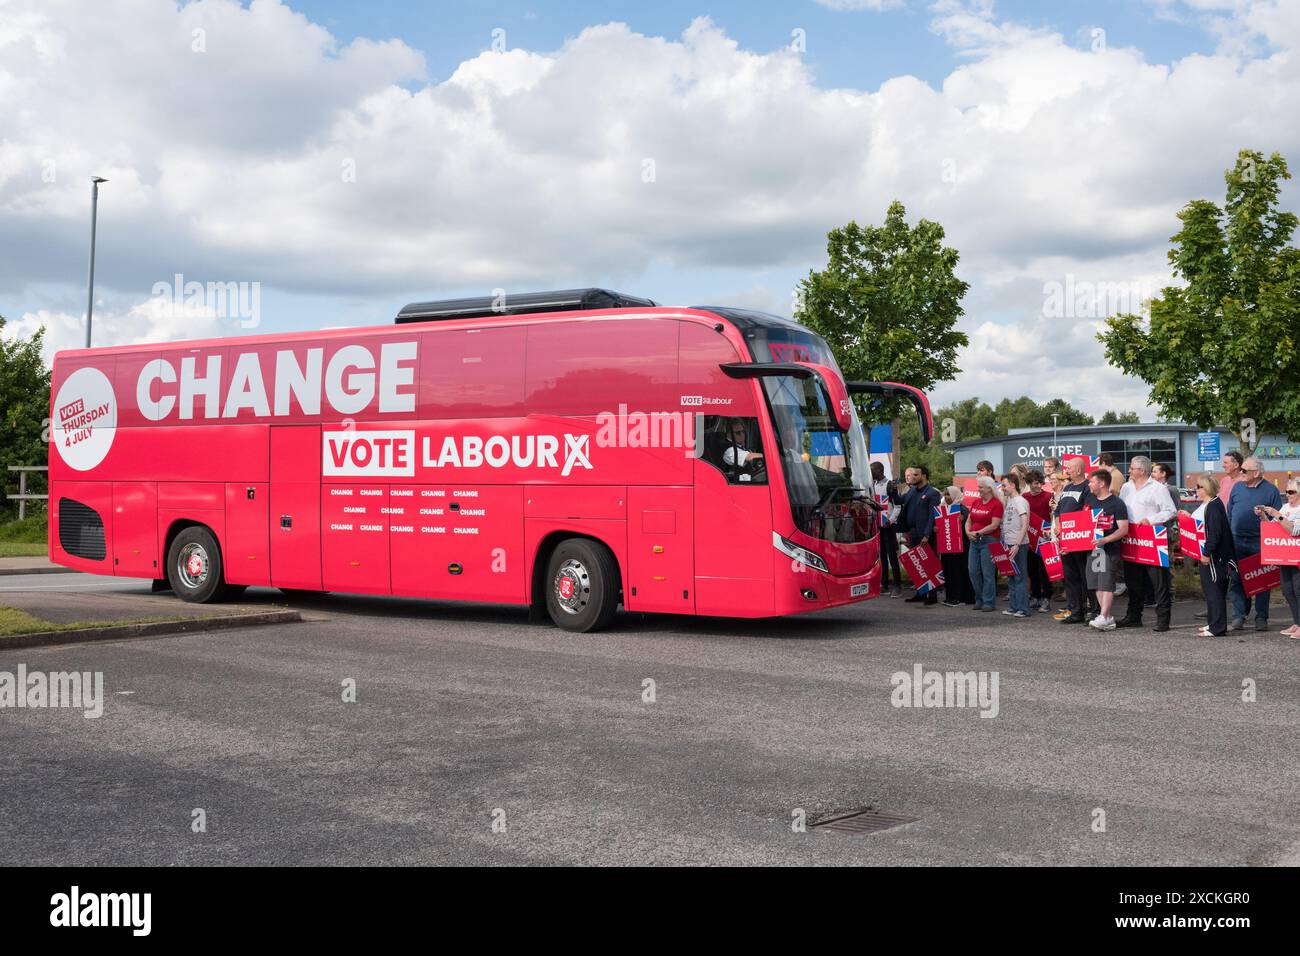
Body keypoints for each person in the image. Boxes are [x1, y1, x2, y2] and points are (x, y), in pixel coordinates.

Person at [1116, 455, 1177, 632]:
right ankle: (1133, 616)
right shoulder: (1126, 488)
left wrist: (1151, 519)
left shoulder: (1158, 489)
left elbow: (1170, 511)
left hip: (1152, 538)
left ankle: (1163, 619)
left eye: (1132, 468)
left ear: (1141, 470)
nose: (1129, 471)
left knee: (1158, 581)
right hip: (1131, 537)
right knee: (1133, 580)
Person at [1226, 456, 1283, 631]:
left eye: (1244, 470)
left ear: (1256, 473)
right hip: (1236, 540)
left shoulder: (1271, 491)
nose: (1241, 473)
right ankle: (1238, 616)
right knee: (1236, 579)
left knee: (1261, 579)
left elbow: (1278, 518)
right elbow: (1230, 512)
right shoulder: (1237, 487)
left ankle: (1261, 617)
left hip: (1259, 541)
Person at [1053, 456, 1098, 625]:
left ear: (1079, 470)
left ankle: (1093, 611)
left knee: (1085, 577)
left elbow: (1086, 513)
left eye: (1070, 468)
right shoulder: (1068, 487)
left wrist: (1068, 529)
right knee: (1070, 576)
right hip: (1065, 538)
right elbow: (1058, 511)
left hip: (1079, 540)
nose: (1067, 471)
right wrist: (1059, 526)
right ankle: (1075, 610)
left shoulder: (1087, 487)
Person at [890, 465, 943, 606]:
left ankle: (932, 595)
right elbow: (900, 501)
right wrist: (893, 491)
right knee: (916, 564)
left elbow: (933, 516)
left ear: (924, 476)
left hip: (924, 533)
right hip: (912, 532)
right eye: (911, 474)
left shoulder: (933, 493)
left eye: (916, 475)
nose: (912, 477)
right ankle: (920, 593)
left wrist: (927, 535)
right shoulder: (912, 490)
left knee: (928, 564)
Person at [1085, 469, 1130, 631]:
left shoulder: (1117, 503)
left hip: (1109, 550)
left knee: (1107, 584)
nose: (1089, 484)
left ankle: (1103, 616)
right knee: (1097, 583)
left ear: (1101, 483)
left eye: (1092, 481)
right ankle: (1108, 617)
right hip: (1094, 549)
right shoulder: (1091, 500)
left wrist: (1105, 539)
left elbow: (1123, 529)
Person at [1257, 478, 1300, 637]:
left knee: (1298, 589)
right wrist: (1263, 516)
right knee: (1287, 590)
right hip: (1284, 555)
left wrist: (1277, 514)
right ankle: (1297, 622)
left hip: (1297, 557)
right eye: (1286, 491)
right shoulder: (1286, 507)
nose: (1287, 495)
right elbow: (1274, 526)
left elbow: (1295, 530)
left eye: (1291, 492)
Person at [1193, 476, 1235, 638]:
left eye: (1199, 487)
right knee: (1210, 590)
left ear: (1206, 488)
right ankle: (1213, 622)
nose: (1197, 490)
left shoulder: (1213, 506)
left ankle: (1217, 627)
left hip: (1214, 557)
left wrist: (1206, 553)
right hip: (1210, 554)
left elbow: (1215, 533)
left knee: (1215, 591)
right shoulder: (1210, 504)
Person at [965, 476, 1003, 612]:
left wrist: (978, 532)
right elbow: (969, 520)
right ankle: (979, 598)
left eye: (981, 487)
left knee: (988, 573)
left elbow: (994, 525)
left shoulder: (996, 504)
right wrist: (968, 532)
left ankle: (988, 601)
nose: (978, 489)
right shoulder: (976, 502)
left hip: (989, 541)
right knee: (973, 571)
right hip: (974, 541)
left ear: (989, 488)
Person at [869, 461, 903, 598]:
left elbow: (898, 506)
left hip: (888, 525)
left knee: (892, 556)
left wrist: (891, 520)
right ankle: (884, 584)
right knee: (881, 555)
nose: (870, 473)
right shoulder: (873, 485)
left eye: (872, 471)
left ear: (879, 470)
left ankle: (897, 585)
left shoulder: (890, 485)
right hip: (877, 526)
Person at [1000, 472, 1031, 618]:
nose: (1002, 488)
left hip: (1017, 544)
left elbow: (1025, 524)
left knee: (1019, 576)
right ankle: (1013, 606)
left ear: (1012, 485)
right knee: (1011, 576)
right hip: (1009, 543)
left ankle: (1023, 609)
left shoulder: (1020, 501)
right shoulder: (1011, 501)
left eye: (1004, 485)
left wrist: (1017, 544)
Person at [1023, 469, 1054, 612]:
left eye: (1040, 483)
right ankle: (1035, 596)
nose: (1038, 485)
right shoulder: (1024, 497)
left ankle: (1046, 598)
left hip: (1045, 537)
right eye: (1035, 483)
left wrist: (1051, 531)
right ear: (1029, 483)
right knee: (1032, 569)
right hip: (1030, 537)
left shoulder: (1049, 496)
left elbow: (1054, 514)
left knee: (1045, 570)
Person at [940, 486, 976, 607]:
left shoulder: (962, 509)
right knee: (948, 571)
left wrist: (963, 519)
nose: (946, 497)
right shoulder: (942, 509)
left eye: (948, 494)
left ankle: (961, 598)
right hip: (947, 547)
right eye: (945, 494)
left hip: (960, 548)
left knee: (959, 571)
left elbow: (969, 525)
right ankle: (951, 596)